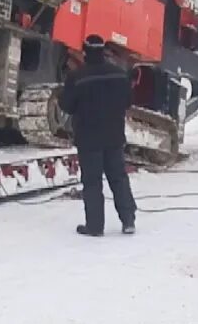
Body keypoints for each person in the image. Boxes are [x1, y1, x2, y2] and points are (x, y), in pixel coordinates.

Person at [58, 35, 138, 236]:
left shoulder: (77, 77)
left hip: (88, 138)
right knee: (118, 178)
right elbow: (128, 102)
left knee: (92, 182)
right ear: (103, 51)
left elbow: (66, 106)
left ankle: (95, 226)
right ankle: (128, 221)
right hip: (114, 136)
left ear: (85, 52)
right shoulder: (119, 75)